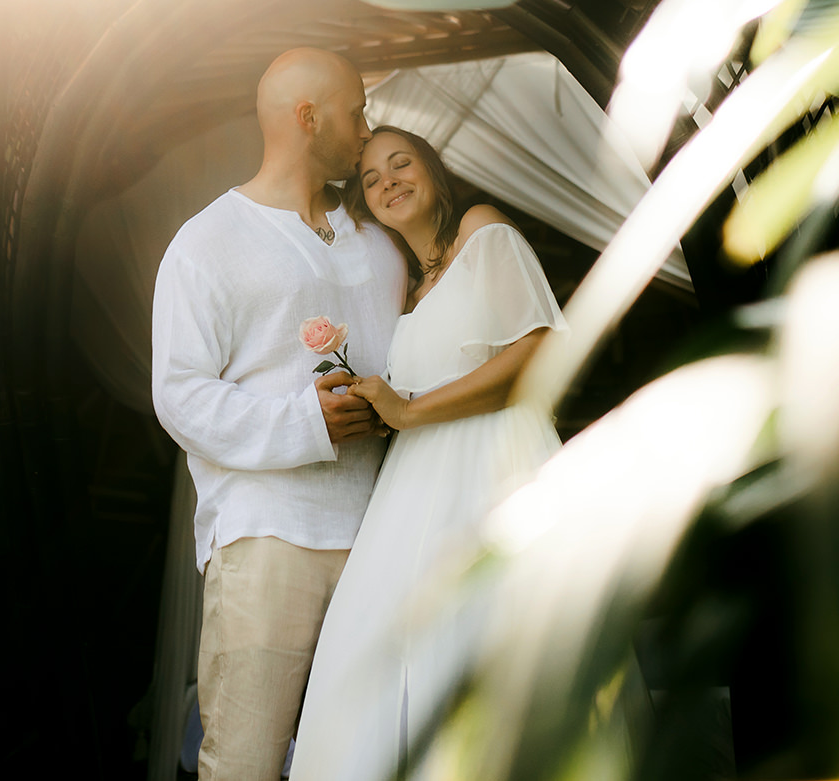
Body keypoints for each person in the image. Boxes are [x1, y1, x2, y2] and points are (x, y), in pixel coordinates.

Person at [151, 49, 409, 781]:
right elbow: (179, 393)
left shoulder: (381, 245)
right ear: (308, 118)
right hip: (267, 541)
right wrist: (308, 421)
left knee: (368, 759)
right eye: (356, 112)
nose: (367, 129)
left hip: (380, 540)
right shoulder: (206, 244)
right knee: (245, 760)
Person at [289, 126, 564, 781]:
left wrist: (410, 408)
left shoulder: (483, 229)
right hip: (414, 488)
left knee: (491, 650)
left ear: (434, 170)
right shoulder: (409, 290)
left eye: (400, 163)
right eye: (372, 177)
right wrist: (379, 406)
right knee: (383, 657)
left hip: (495, 467)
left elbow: (536, 347)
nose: (388, 181)